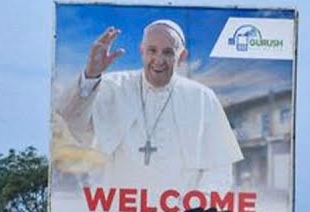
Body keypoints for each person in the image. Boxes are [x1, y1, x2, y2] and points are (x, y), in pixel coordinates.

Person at [55, 21, 242, 192]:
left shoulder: (202, 98)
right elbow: (73, 121)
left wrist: (198, 207)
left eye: (168, 52)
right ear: (142, 51)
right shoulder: (112, 86)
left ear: (182, 56)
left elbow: (220, 166)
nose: (158, 59)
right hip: (117, 211)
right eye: (152, 50)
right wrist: (91, 75)